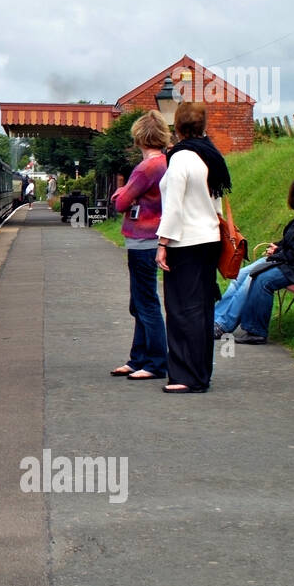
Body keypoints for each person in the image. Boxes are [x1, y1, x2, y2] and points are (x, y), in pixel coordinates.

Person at [156, 101, 230, 393]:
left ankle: (186, 376)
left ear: (178, 126)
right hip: (209, 241)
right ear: (203, 126)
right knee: (201, 310)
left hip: (185, 242)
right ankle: (200, 374)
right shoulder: (209, 155)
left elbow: (173, 205)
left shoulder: (181, 158)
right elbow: (217, 201)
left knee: (181, 310)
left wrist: (163, 243)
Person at [213, 174, 294, 338]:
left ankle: (242, 328)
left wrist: (278, 253)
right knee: (244, 275)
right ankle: (217, 319)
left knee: (258, 278)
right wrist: (278, 249)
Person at [109, 111, 171, 380]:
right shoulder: (165, 163)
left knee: (145, 303)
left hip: (142, 241)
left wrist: (121, 194)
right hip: (150, 239)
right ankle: (138, 359)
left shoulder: (146, 168)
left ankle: (156, 363)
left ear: (139, 137)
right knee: (141, 302)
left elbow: (121, 202)